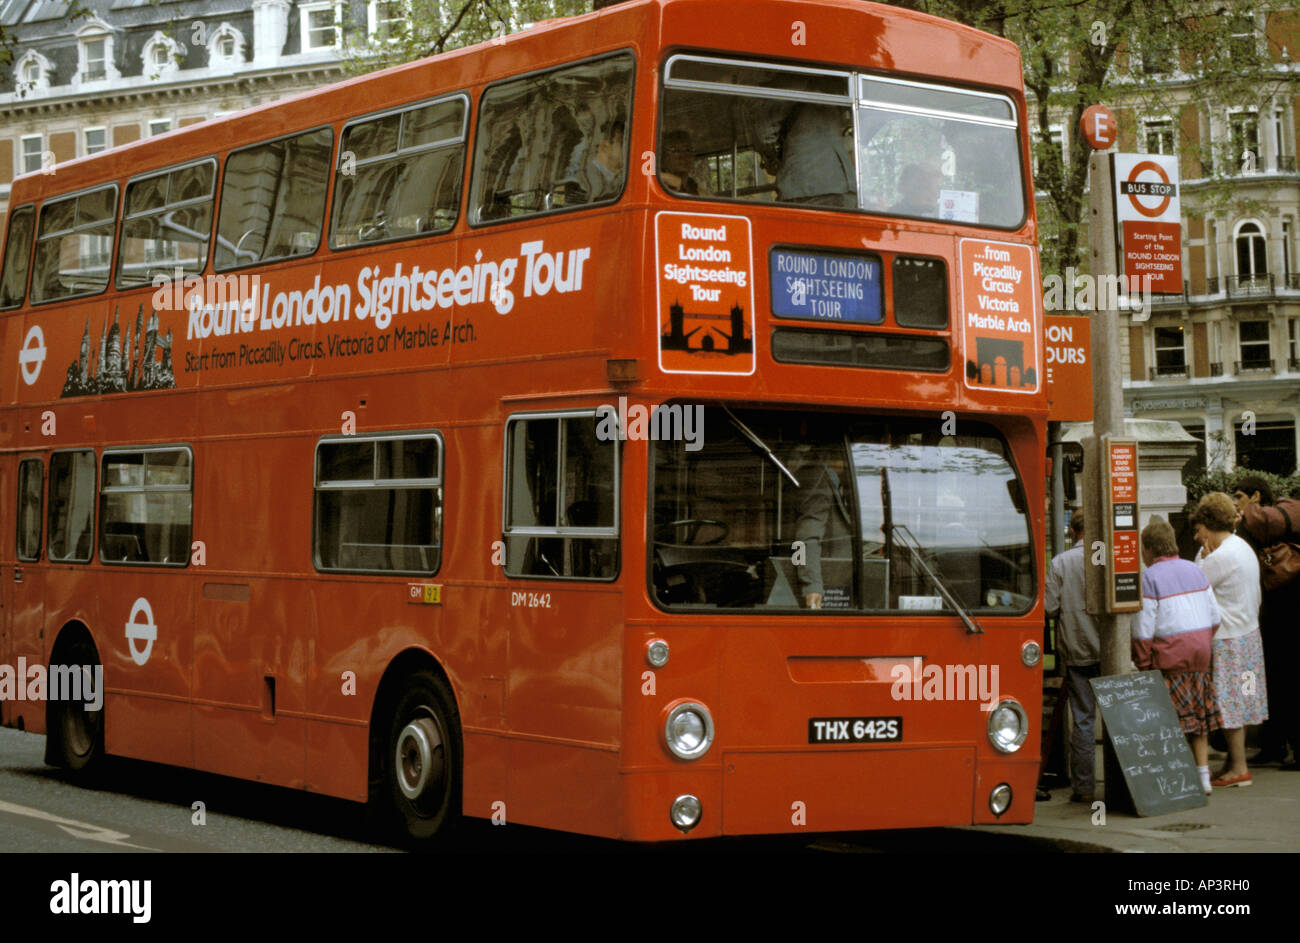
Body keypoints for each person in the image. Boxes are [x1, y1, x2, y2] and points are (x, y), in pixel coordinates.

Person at [1134, 516, 1222, 796]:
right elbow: (1214, 616)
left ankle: (1174, 778)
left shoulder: (1149, 578)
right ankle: (1203, 775)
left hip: (1170, 657)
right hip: (1200, 654)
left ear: (1148, 549)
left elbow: (1143, 628)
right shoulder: (1195, 571)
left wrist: (1143, 661)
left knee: (1170, 722)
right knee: (1199, 719)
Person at [1192, 492, 1268, 788]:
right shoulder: (1241, 546)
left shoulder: (1220, 557)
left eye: (1199, 530)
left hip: (1228, 640)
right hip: (1249, 635)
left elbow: (1195, 581)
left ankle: (1238, 766)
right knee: (1246, 699)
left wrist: (1203, 555)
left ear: (1208, 526)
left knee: (1229, 702)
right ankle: (1235, 762)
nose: (1198, 536)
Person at [1234, 474, 1300, 769]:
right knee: (1279, 679)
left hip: (1278, 612)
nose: (1237, 503)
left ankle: (1281, 748)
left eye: (1239, 496)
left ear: (1256, 497)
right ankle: (1274, 745)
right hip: (1283, 610)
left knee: (1281, 680)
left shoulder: (1260, 523)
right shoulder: (1283, 523)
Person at [1044, 510, 1101, 802]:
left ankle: (1084, 787)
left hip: (1077, 647)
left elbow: (1049, 607)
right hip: (1108, 647)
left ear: (1072, 531)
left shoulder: (1060, 563)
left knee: (1083, 719)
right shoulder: (1106, 558)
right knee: (1120, 718)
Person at [794, 447, 854, 609]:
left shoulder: (831, 480)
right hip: (828, 587)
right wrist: (811, 585)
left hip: (838, 582)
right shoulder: (818, 477)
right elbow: (806, 535)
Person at [774, 104, 856, 207]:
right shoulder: (837, 98)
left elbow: (764, 134)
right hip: (846, 186)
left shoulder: (788, 90)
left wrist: (775, 160)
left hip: (807, 187)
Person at [580, 118, 625, 203]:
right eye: (621, 143)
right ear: (605, 147)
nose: (628, 149)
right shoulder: (585, 180)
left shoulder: (616, 178)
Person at [659, 129, 706, 195]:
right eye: (674, 150)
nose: (683, 156)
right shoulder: (657, 187)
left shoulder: (701, 193)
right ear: (663, 158)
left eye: (687, 150)